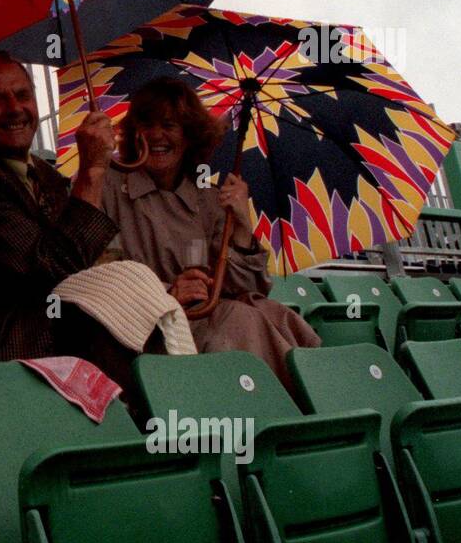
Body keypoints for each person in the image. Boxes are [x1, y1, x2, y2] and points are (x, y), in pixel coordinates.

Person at [0, 49, 141, 386]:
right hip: (18, 338)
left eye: (22, 95)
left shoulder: (45, 175)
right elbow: (54, 267)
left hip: (66, 323)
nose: (15, 109)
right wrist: (91, 171)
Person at [100, 77, 320, 384]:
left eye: (169, 125)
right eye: (147, 124)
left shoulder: (209, 198)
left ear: (189, 136)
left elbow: (242, 287)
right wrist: (168, 293)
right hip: (147, 332)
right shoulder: (109, 186)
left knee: (274, 315)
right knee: (241, 320)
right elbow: (102, 274)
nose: (157, 135)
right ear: (134, 133)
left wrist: (242, 226)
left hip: (210, 324)